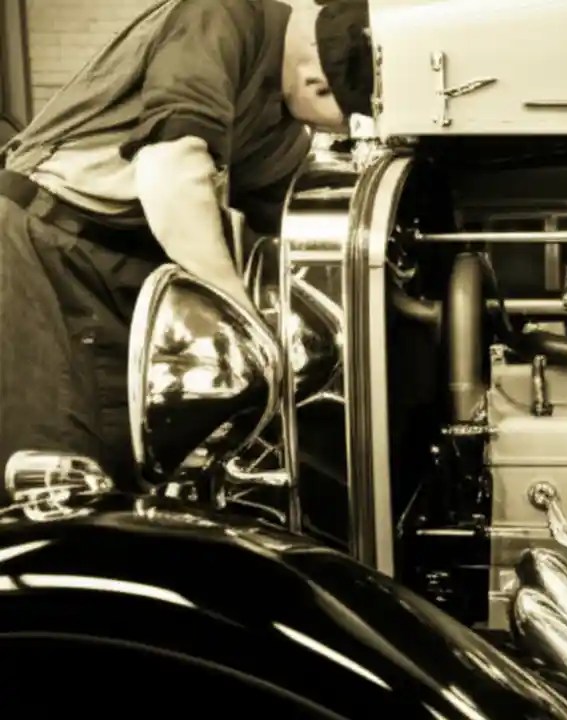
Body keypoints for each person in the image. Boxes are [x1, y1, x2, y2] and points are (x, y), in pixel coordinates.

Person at [0, 0, 374, 487]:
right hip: (43, 249)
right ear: (316, 83)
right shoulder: (222, 17)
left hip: (124, 267)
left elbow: (285, 231)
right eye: (342, 119)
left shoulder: (281, 123)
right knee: (59, 469)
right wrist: (248, 326)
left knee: (129, 462)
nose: (335, 131)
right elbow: (173, 174)